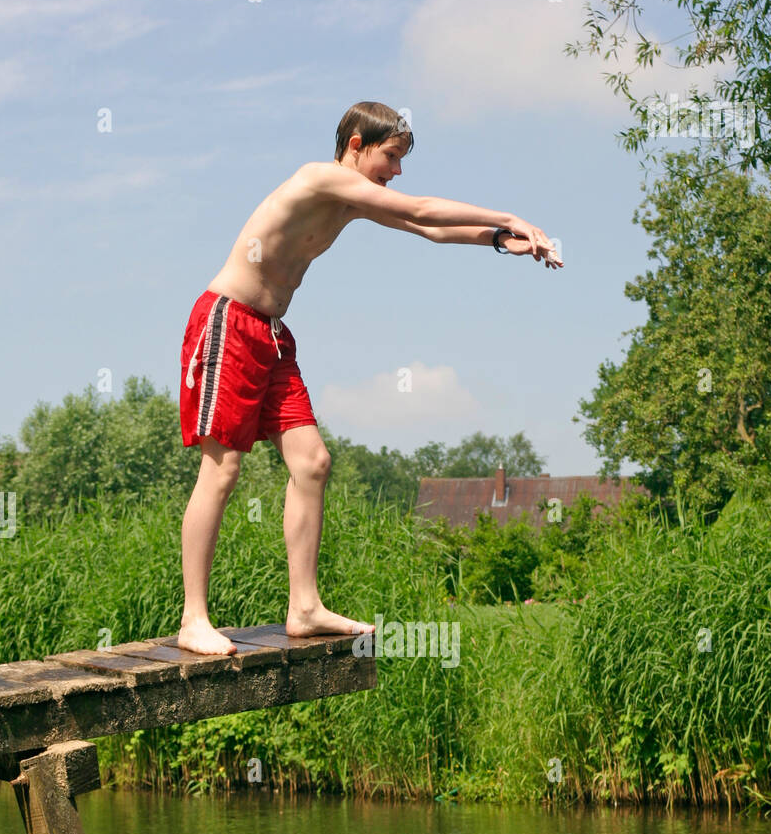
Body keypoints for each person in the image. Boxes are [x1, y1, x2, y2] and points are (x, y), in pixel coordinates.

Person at [178, 100, 563, 655]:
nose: (397, 171)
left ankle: (304, 607)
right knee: (222, 469)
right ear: (355, 144)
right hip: (228, 322)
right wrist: (509, 216)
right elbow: (423, 207)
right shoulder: (319, 178)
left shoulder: (347, 201)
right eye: (392, 157)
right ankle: (194, 618)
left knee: (312, 462)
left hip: (269, 332)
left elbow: (422, 226)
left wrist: (501, 241)